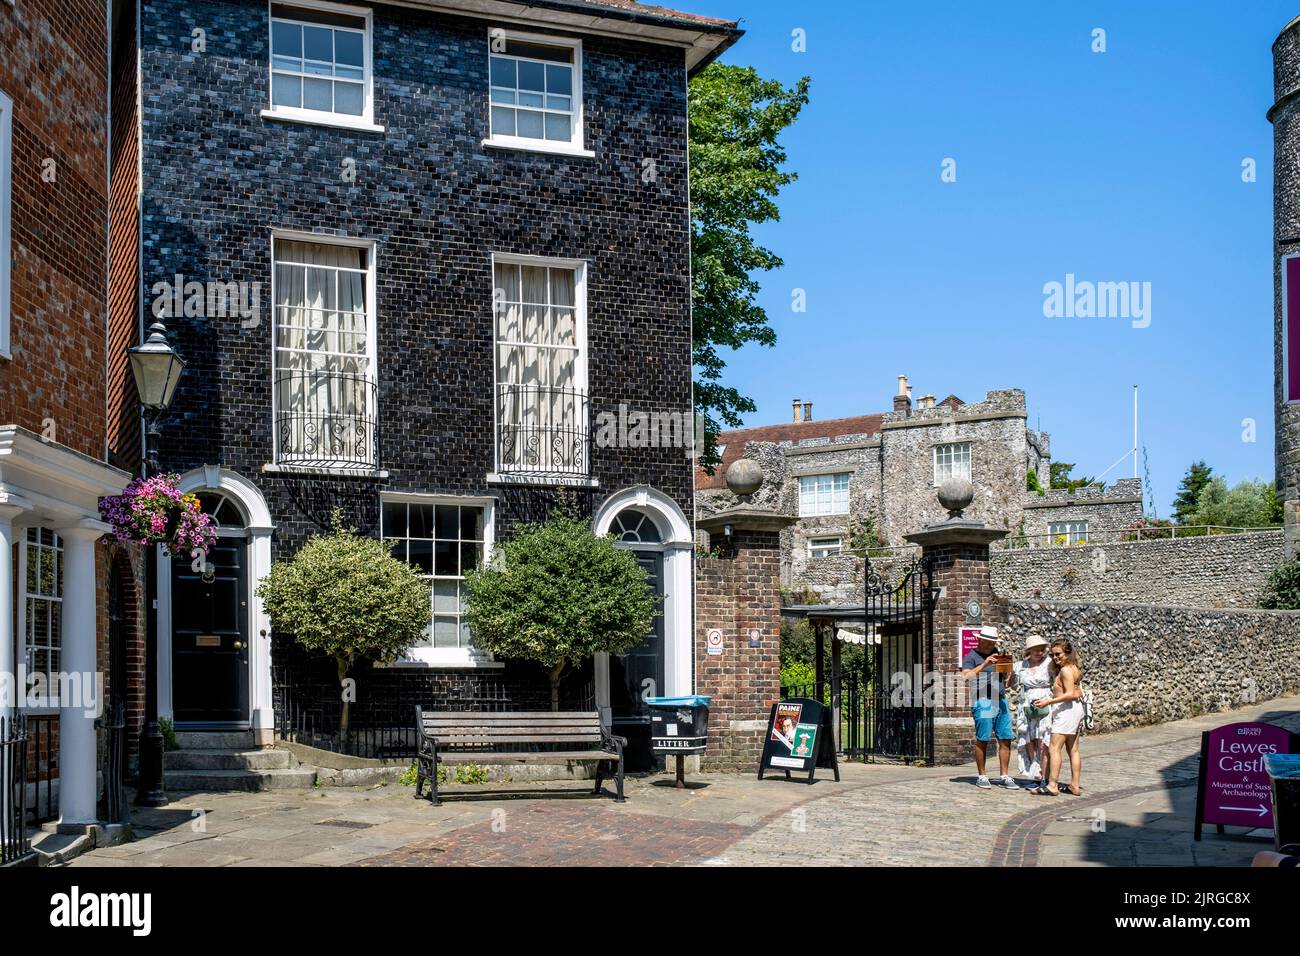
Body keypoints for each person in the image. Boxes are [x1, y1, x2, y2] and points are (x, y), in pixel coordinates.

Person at [961, 625, 1018, 790]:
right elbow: (966, 677)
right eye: (986, 642)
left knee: (1006, 737)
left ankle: (1004, 776)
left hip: (1000, 699)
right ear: (979, 640)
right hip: (983, 700)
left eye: (991, 643)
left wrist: (1011, 674)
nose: (989, 646)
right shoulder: (970, 657)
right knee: (983, 739)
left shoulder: (998, 654)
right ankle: (982, 775)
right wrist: (985, 663)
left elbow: (1007, 682)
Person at [1031, 638, 1084, 796]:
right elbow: (1077, 692)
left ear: (1067, 653)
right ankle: (1075, 785)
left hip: (1065, 711)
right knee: (1073, 749)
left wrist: (1049, 701)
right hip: (1074, 710)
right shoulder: (1074, 667)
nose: (1055, 657)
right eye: (1053, 655)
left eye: (1058, 654)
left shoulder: (1066, 670)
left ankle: (1052, 785)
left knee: (1054, 748)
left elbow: (1069, 694)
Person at [1012, 635, 1053, 783]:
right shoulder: (1020, 665)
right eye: (1036, 650)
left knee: (1044, 740)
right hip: (1026, 704)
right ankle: (1034, 774)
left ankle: (1045, 775)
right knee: (1030, 739)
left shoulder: (1050, 663)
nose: (1040, 653)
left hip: (1045, 702)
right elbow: (1010, 684)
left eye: (1042, 650)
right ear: (1029, 650)